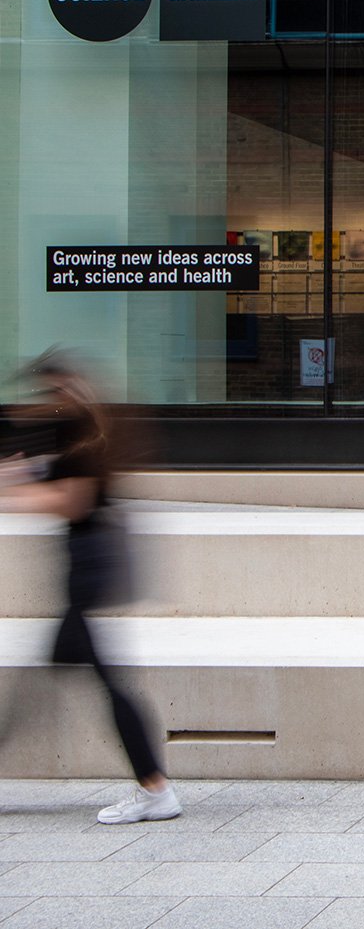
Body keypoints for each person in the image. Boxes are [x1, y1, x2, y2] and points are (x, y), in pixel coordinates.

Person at [0, 351, 179, 825]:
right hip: (86, 567)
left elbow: (73, 503)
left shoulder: (83, 438)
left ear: (67, 389)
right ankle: (154, 785)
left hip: (88, 569)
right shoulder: (82, 432)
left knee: (104, 681)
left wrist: (14, 489)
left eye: (50, 390)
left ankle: (156, 788)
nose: (44, 401)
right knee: (47, 677)